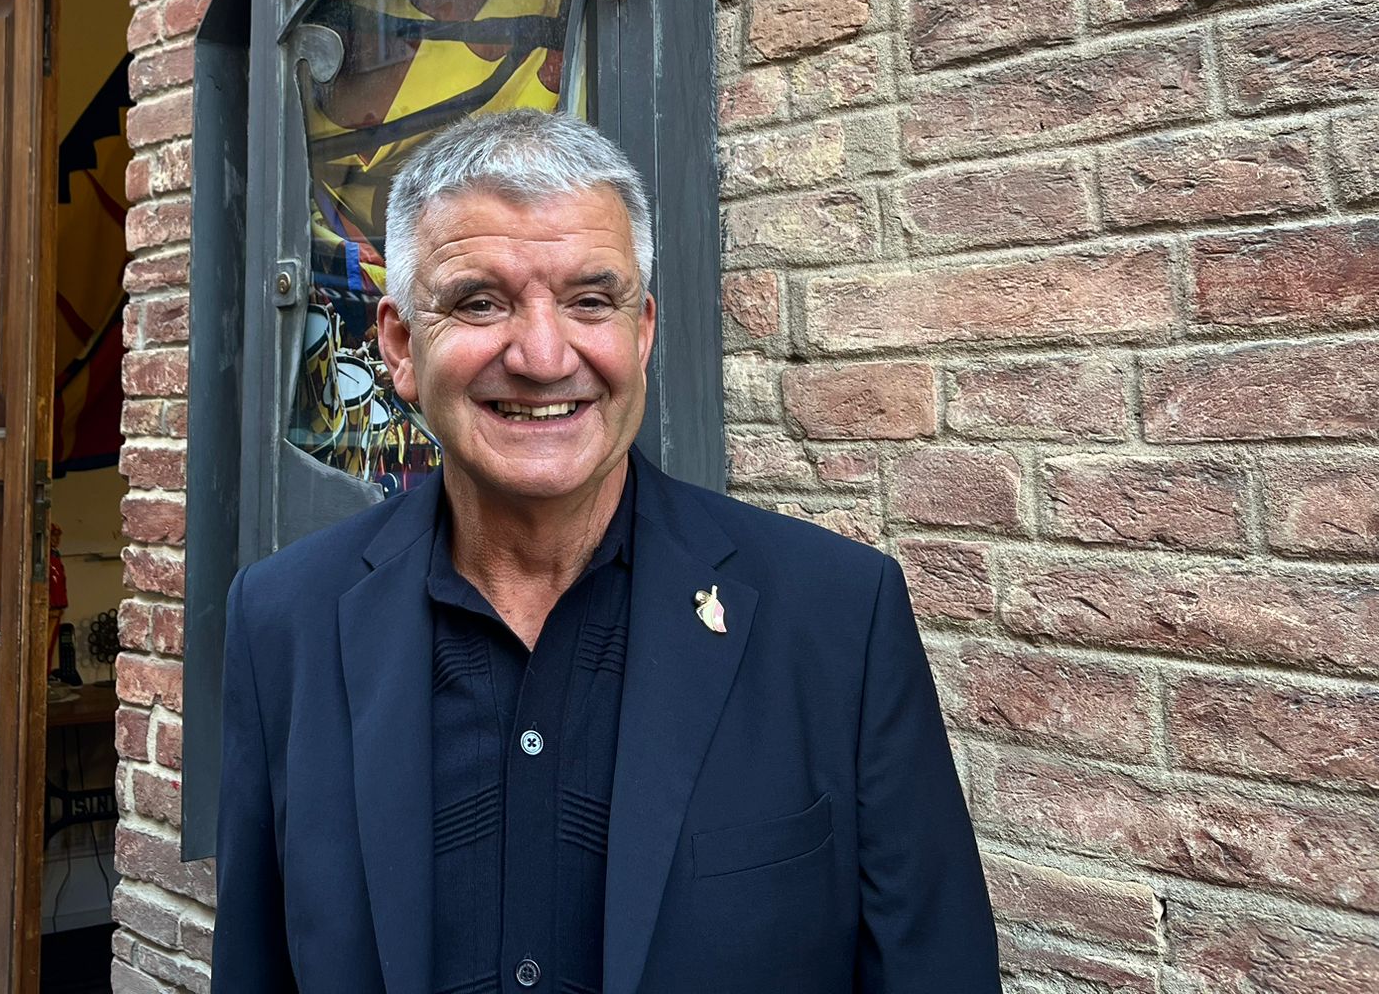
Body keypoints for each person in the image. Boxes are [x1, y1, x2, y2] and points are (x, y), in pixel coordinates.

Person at [214, 108, 1000, 993]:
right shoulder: (282, 623)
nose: (545, 356)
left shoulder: (835, 621)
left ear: (644, 330)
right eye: (481, 301)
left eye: (591, 301)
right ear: (399, 346)